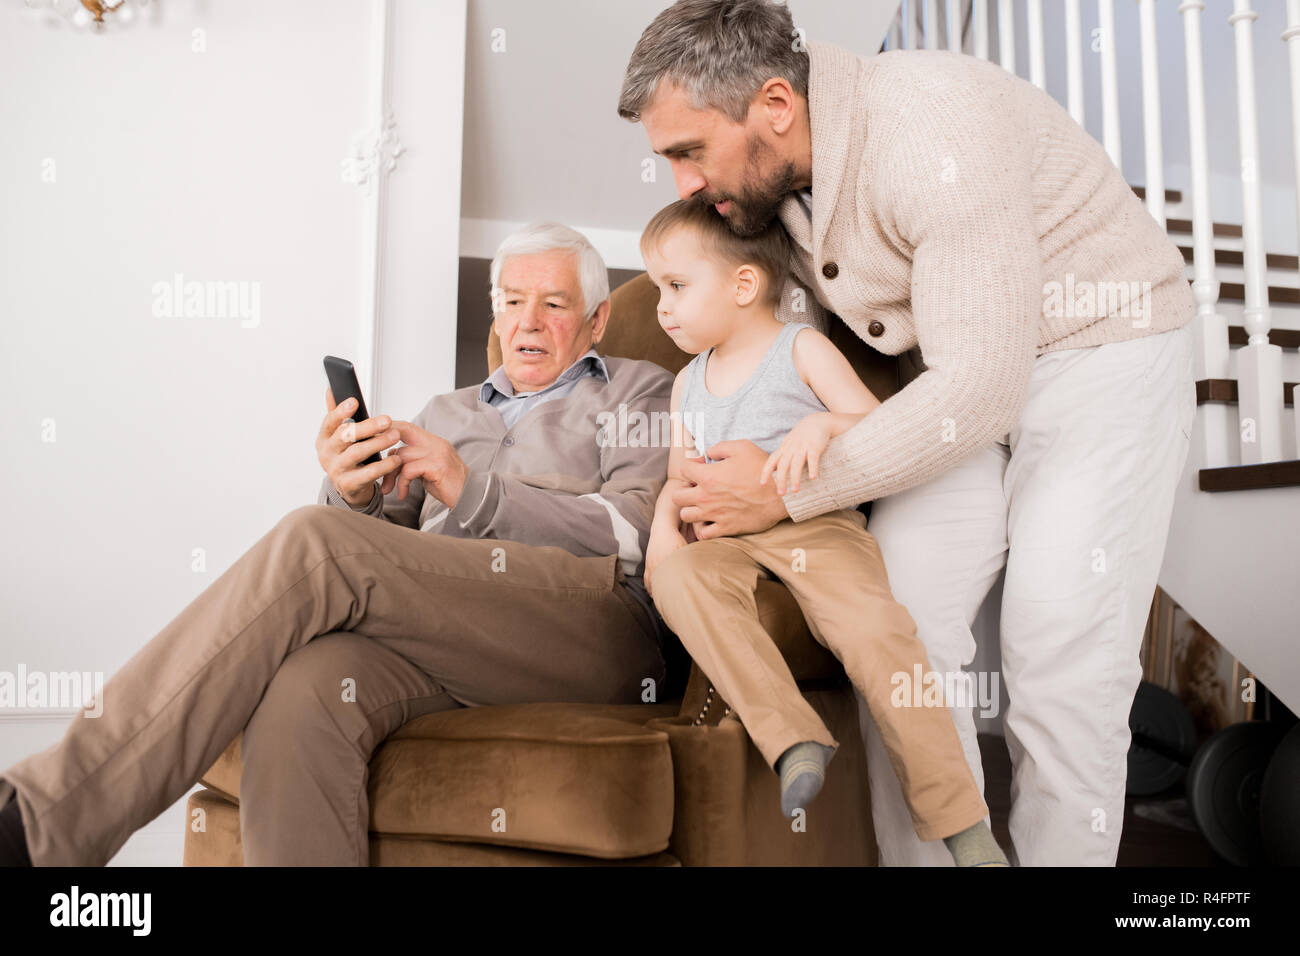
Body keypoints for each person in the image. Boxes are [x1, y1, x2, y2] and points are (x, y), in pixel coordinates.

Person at [619, 0, 1196, 866]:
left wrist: (781, 486)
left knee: (1058, 653)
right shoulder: (770, 186)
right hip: (950, 383)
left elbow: (984, 386)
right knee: (897, 629)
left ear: (776, 106)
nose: (684, 184)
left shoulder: (934, 126)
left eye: (689, 152)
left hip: (1100, 355)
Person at [0, 222, 672, 866]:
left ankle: (44, 820)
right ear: (494, 314)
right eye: (512, 302)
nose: (528, 320)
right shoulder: (446, 412)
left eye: (554, 303)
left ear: (596, 320)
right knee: (306, 689)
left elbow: (634, 534)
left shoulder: (640, 390)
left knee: (317, 543)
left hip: (590, 627)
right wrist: (352, 495)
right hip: (458, 639)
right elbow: (382, 559)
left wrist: (469, 486)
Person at [641, 199, 1008, 866]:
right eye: (658, 290)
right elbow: (679, 476)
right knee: (676, 578)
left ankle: (962, 824)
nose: (663, 307)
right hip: (721, 540)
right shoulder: (687, 383)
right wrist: (664, 531)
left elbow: (872, 421)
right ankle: (792, 741)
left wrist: (820, 425)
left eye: (675, 287)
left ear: (744, 286)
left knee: (879, 637)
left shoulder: (799, 347)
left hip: (815, 527)